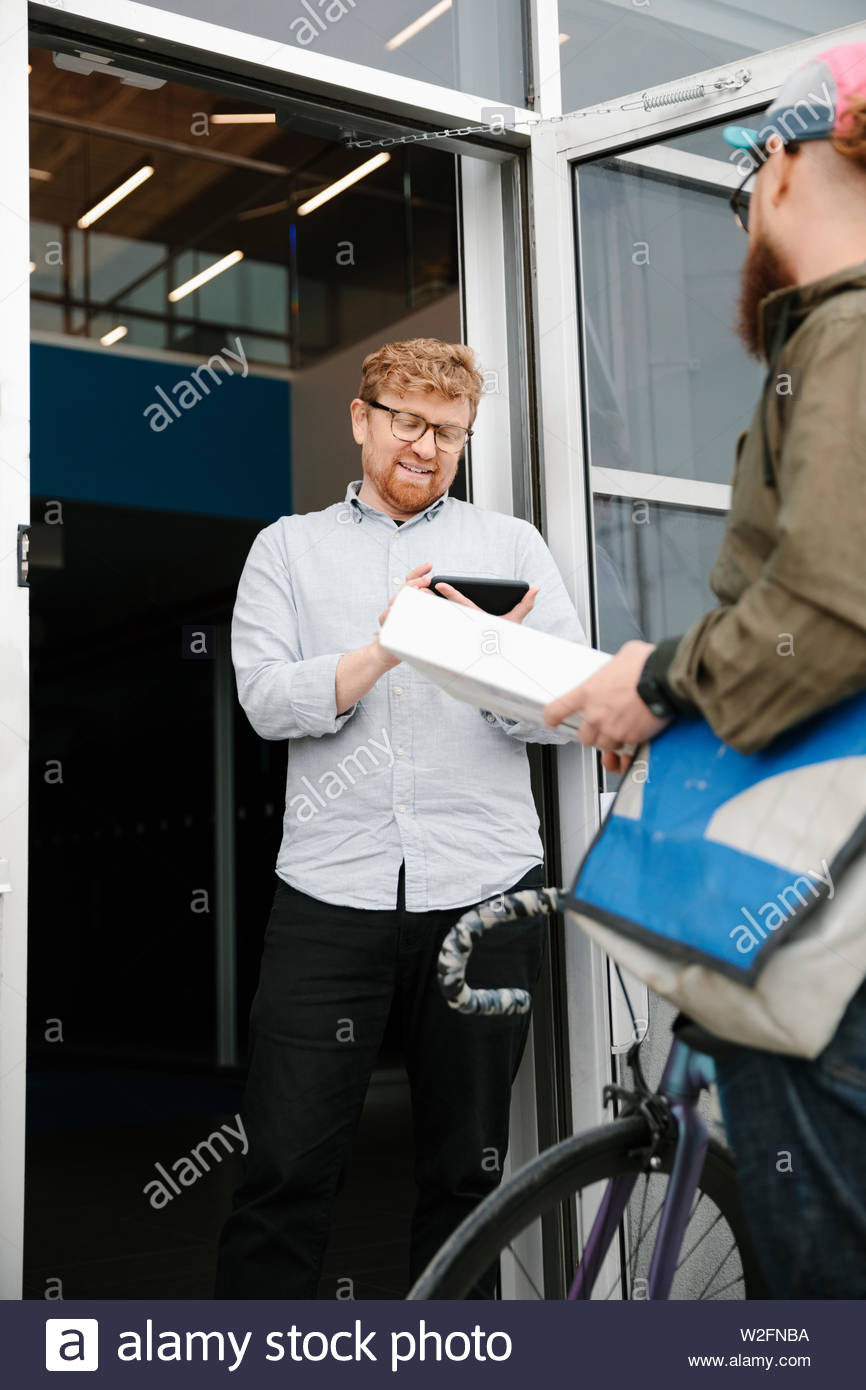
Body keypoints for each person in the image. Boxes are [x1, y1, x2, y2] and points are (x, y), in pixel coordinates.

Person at [542, 42, 866, 1299]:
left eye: (741, 194)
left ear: (784, 167)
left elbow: (828, 613)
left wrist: (659, 681)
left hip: (826, 932)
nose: (743, 226)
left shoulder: (840, 330)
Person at [214, 337, 586, 1299]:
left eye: (451, 433)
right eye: (411, 423)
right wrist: (388, 646)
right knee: (287, 1165)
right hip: (329, 894)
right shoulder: (286, 550)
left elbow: (572, 711)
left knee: (467, 1175)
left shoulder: (512, 548)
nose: (428, 447)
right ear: (361, 418)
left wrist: (493, 658)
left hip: (483, 892)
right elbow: (263, 700)